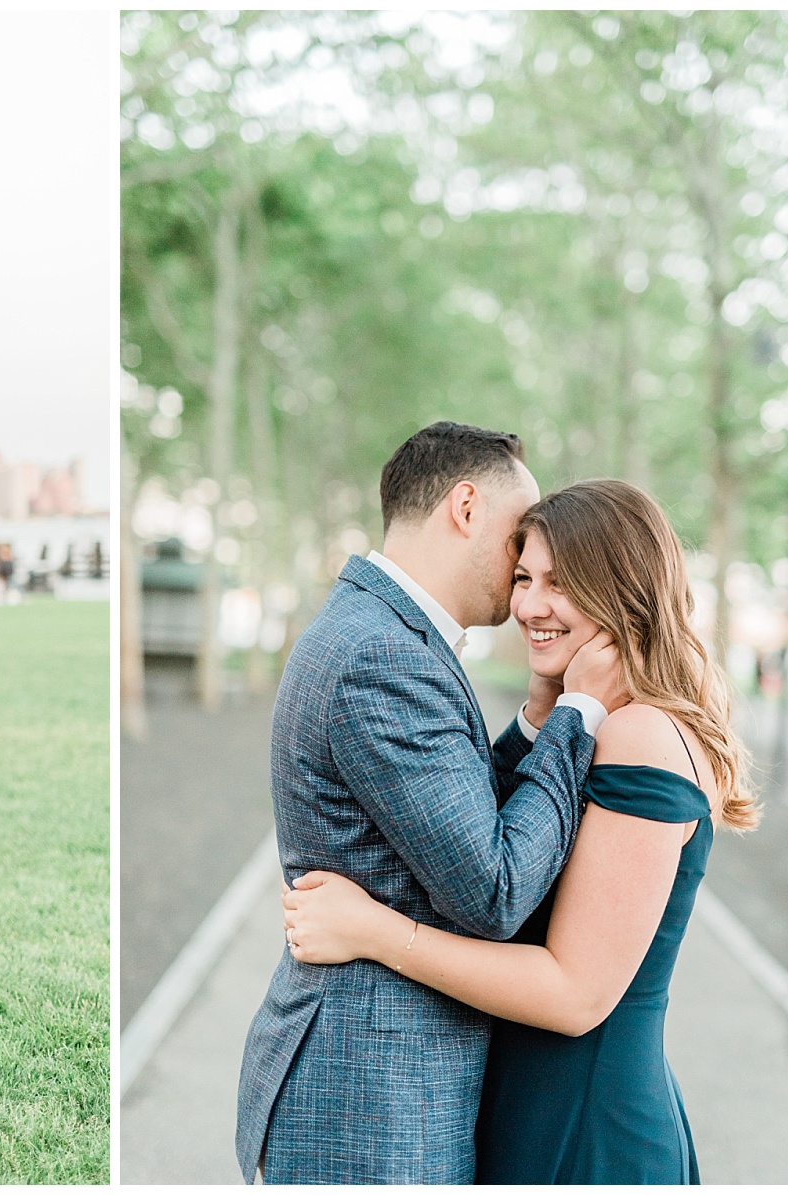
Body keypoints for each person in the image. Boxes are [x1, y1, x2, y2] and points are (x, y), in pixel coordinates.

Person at [281, 478, 759, 1184]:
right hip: (524, 1103)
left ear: (621, 592)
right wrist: (548, 711)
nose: (529, 605)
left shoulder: (641, 735)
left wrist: (375, 932)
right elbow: (498, 830)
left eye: (561, 583)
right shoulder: (594, 721)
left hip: (584, 1124)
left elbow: (574, 993)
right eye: (525, 576)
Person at [236, 422, 627, 1185]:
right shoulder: (383, 654)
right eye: (520, 538)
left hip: (367, 1083)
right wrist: (581, 715)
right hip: (371, 1104)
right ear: (467, 506)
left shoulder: (379, 630)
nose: (523, 569)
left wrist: (539, 720)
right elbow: (495, 888)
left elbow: (455, 809)